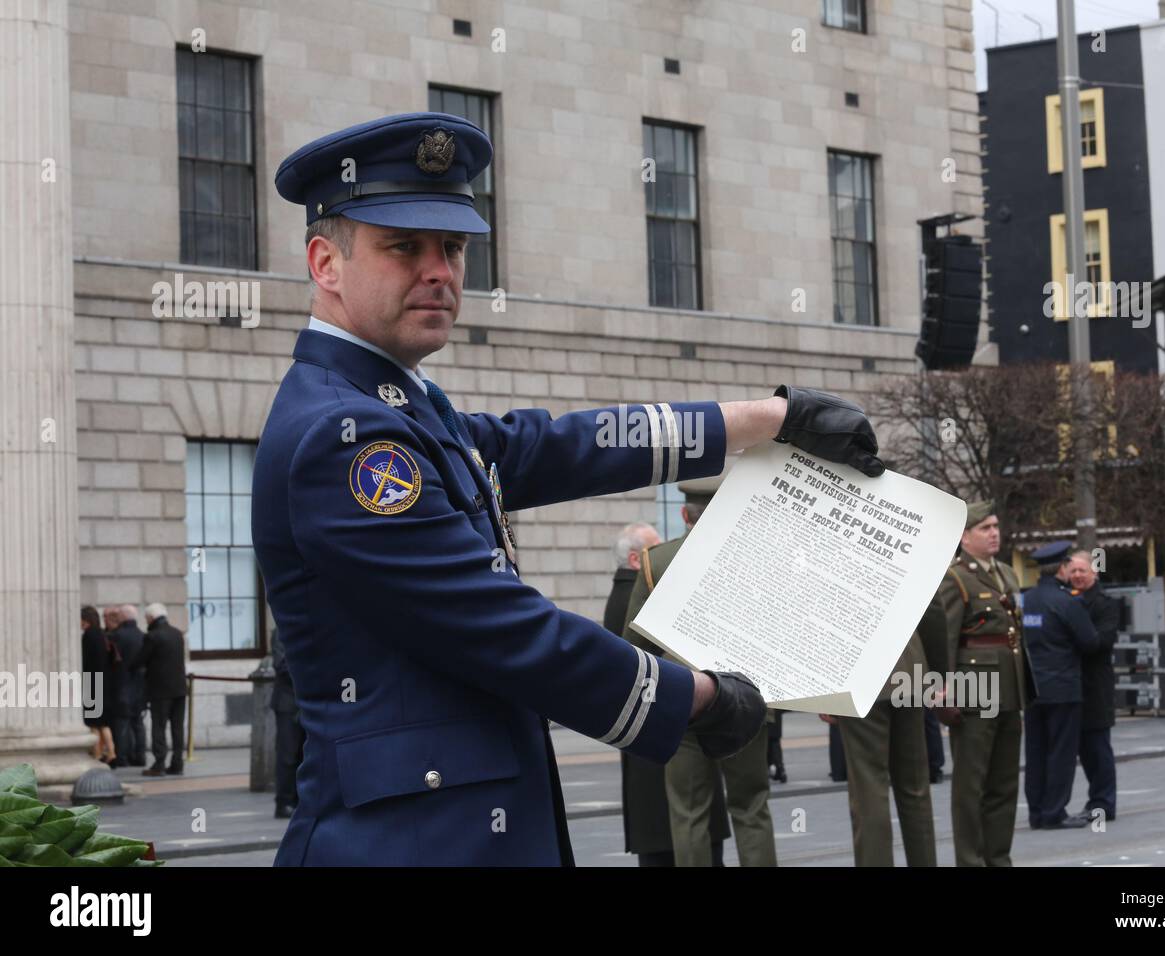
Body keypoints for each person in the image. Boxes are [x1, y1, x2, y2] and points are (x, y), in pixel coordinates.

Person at [252, 111, 885, 866]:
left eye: (452, 247)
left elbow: (558, 447)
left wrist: (772, 419)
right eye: (403, 248)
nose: (440, 272)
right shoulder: (344, 438)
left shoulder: (399, 404)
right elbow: (500, 627)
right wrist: (696, 699)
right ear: (326, 264)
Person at [622, 472, 778, 867]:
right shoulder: (761, 557)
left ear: (684, 514)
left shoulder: (656, 562)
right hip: (746, 696)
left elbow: (635, 646)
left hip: (684, 698)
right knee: (751, 807)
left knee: (689, 813)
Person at [605, 523, 731, 867]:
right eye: (652, 551)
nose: (660, 558)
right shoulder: (636, 592)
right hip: (666, 722)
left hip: (655, 728)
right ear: (635, 559)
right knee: (688, 822)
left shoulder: (629, 591)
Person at [918, 501, 1027, 866]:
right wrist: (941, 688)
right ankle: (970, 860)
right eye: (985, 528)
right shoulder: (954, 577)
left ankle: (999, 858)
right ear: (964, 536)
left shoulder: (1007, 575)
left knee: (1004, 784)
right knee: (971, 786)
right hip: (974, 689)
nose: (994, 533)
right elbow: (945, 636)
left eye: (995, 526)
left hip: (1010, 688)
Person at [829, 617, 941, 866]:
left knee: (869, 790)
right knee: (915, 788)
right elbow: (932, 609)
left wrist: (825, 693)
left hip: (858, 670)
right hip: (909, 669)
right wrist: (938, 673)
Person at [1021, 541, 1099, 830]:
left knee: (1036, 752)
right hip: (1063, 687)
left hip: (1031, 689)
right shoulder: (1068, 601)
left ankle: (1037, 812)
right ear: (1063, 568)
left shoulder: (1025, 600)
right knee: (1061, 753)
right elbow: (1090, 641)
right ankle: (1054, 811)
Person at [1067, 549, 1120, 822]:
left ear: (1094, 572)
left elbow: (1102, 642)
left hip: (1095, 686)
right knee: (1083, 750)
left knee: (1098, 749)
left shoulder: (1104, 604)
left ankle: (1103, 803)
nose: (1076, 576)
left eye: (1081, 571)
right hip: (1070, 685)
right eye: (1073, 571)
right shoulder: (1065, 599)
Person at [140, 603, 187, 776]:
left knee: (159, 726)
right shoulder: (177, 634)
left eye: (146, 619)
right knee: (177, 727)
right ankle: (177, 763)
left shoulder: (152, 636)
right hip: (180, 688)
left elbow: (141, 659)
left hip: (160, 690)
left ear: (151, 618)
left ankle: (159, 763)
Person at [106, 604, 148, 769]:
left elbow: (110, 664)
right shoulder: (143, 636)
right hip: (139, 687)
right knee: (138, 723)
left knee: (121, 724)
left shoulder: (116, 637)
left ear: (122, 617)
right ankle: (140, 756)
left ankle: (122, 757)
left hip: (121, 687)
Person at [271, 629, 304, 819]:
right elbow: (282, 664)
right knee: (287, 755)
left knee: (303, 753)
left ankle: (300, 799)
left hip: (305, 703)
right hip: (287, 702)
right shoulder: (280, 632)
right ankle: (284, 802)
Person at [80, 606, 116, 764]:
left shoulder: (89, 635)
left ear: (85, 620)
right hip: (104, 682)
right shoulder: (102, 634)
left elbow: (85, 661)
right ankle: (112, 752)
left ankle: (97, 753)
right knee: (104, 723)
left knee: (93, 723)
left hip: (91, 681)